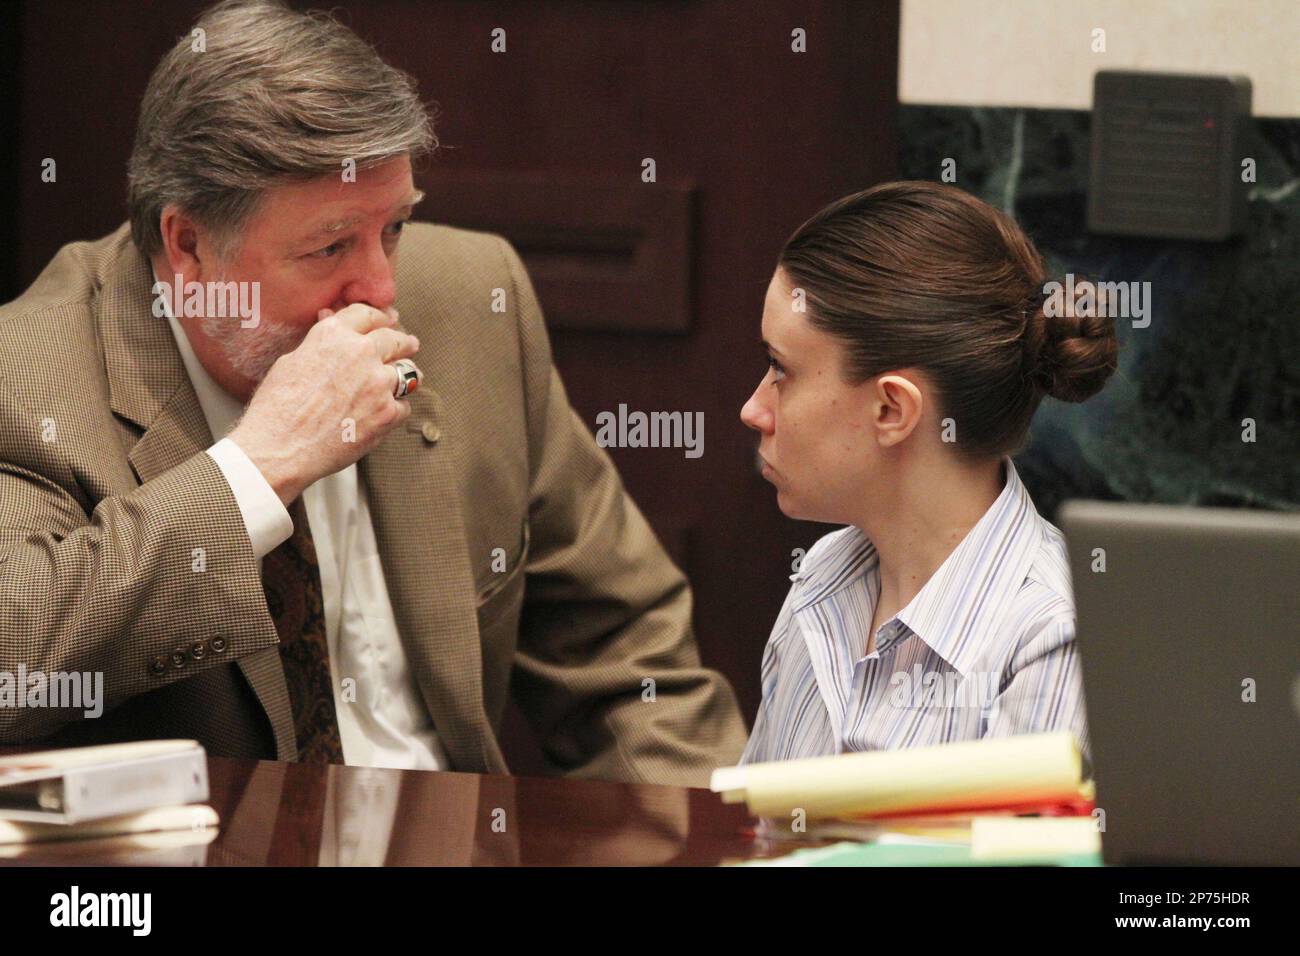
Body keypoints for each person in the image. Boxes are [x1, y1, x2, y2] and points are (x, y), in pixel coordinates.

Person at [0, 0, 747, 786]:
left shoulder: (472, 301)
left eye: (393, 228)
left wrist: (711, 836)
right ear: (188, 245)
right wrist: (256, 468)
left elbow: (621, 650)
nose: (382, 291)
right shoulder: (29, 376)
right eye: (329, 247)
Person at [738, 180, 1117, 767]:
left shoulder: (1052, 640)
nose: (754, 409)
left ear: (892, 410)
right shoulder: (822, 578)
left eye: (779, 369)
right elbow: (763, 842)